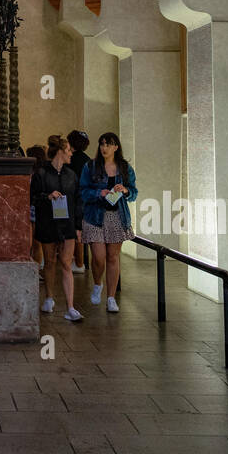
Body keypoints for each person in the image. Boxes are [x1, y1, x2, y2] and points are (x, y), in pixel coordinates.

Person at [80, 132, 138, 313]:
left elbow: (134, 192)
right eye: (102, 144)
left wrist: (126, 190)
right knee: (98, 258)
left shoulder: (125, 168)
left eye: (108, 144)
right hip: (95, 216)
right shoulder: (90, 167)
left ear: (116, 147)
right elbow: (82, 191)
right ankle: (98, 283)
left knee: (113, 257)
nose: (104, 148)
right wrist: (99, 193)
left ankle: (111, 298)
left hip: (116, 216)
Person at [32, 135, 83, 322]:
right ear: (60, 151)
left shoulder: (72, 175)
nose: (71, 154)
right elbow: (34, 198)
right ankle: (49, 298)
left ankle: (70, 306)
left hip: (67, 223)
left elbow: (78, 201)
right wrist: (47, 196)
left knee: (66, 263)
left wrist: (78, 225)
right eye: (68, 150)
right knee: (50, 261)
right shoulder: (42, 174)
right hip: (48, 222)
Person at [67, 129, 92, 274]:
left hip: (73, 199)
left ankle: (78, 262)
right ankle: (80, 262)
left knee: (75, 231)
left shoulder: (70, 160)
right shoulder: (88, 160)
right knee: (80, 231)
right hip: (85, 198)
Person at [26, 144, 47, 279]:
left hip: (31, 207)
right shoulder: (44, 173)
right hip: (39, 208)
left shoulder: (31, 174)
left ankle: (33, 267)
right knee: (37, 242)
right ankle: (37, 268)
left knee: (32, 241)